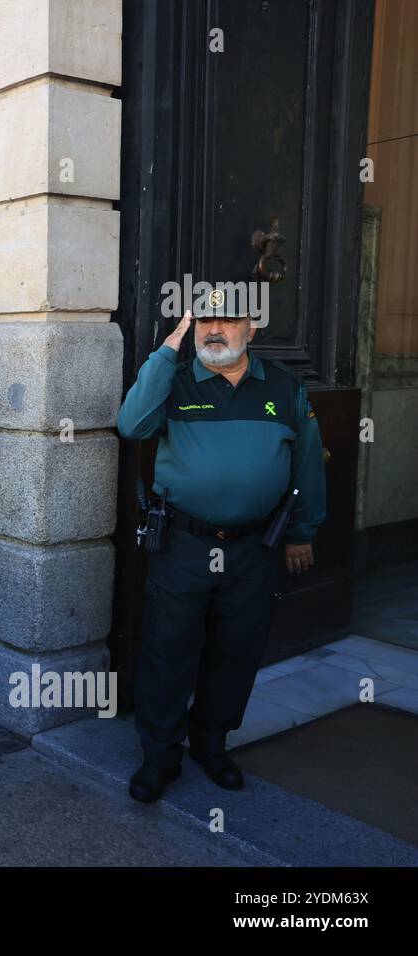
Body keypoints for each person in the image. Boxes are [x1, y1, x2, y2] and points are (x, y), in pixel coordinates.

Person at [117, 292, 326, 803]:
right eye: (205, 319)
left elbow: (307, 468)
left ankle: (211, 744)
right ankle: (160, 755)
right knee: (169, 651)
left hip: (255, 549)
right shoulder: (177, 378)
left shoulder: (284, 386)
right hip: (184, 546)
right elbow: (132, 425)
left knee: (236, 652)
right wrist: (165, 353)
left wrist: (303, 532)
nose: (215, 329)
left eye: (228, 319)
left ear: (250, 329)